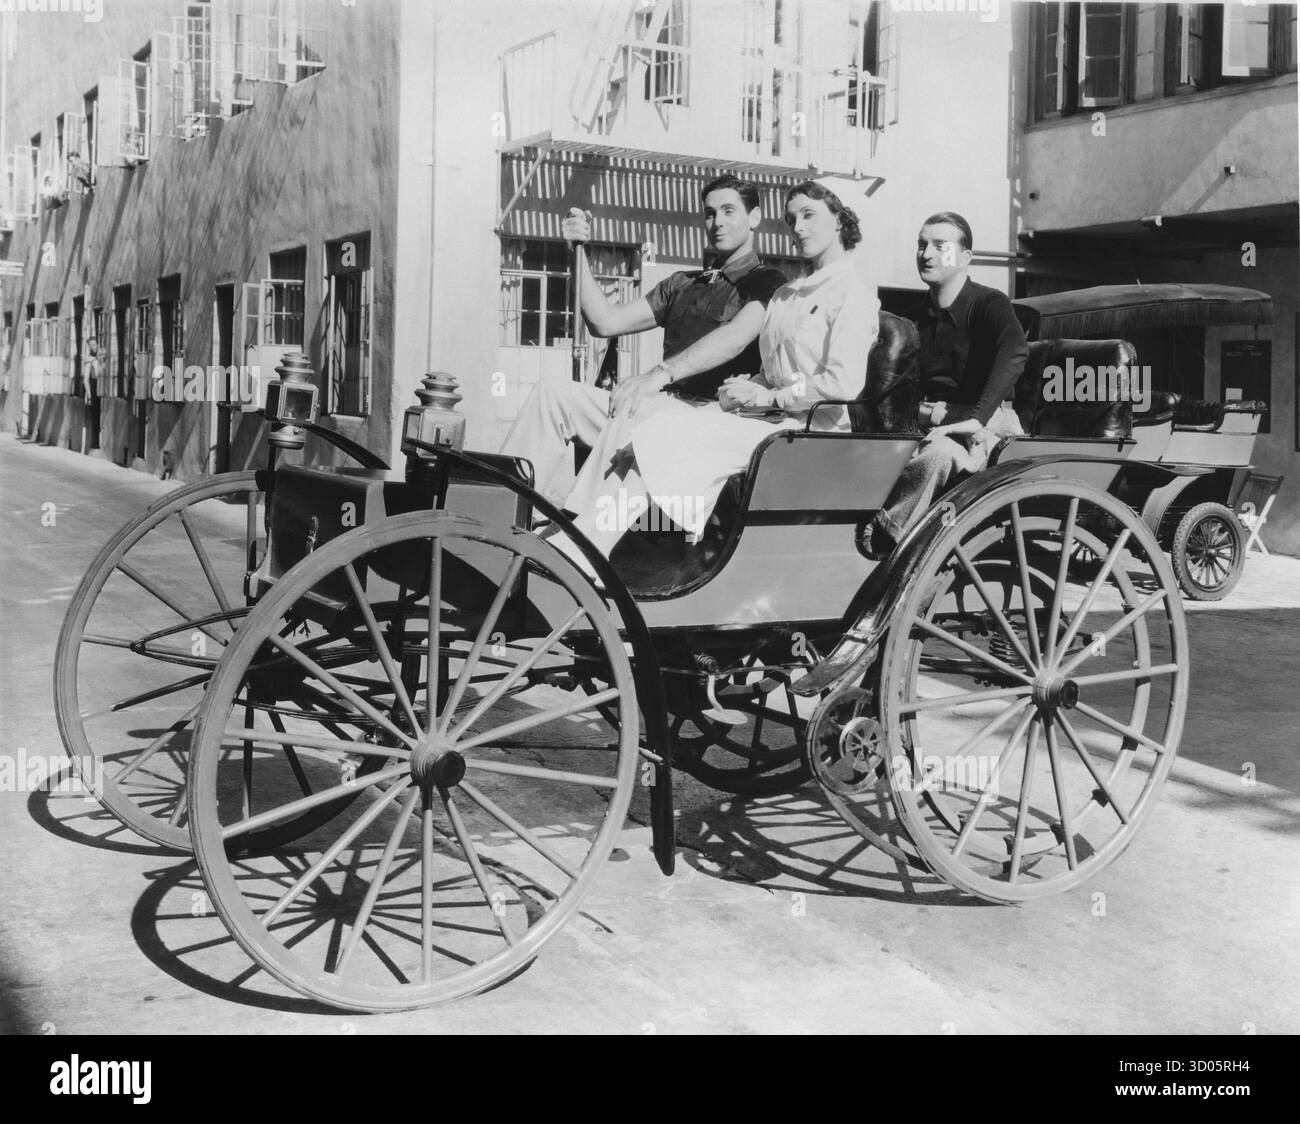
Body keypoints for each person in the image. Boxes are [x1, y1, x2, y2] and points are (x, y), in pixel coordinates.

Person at [553, 179, 879, 568]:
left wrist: (770, 397)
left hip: (813, 435)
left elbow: (841, 384)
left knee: (666, 431)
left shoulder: (851, 293)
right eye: (792, 219)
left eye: (809, 215)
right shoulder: (789, 295)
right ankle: (583, 535)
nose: (798, 228)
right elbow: (774, 370)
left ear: (840, 220)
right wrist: (748, 386)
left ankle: (589, 550)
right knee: (652, 425)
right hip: (771, 421)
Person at [499, 174, 788, 508]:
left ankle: (575, 531)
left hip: (711, 416)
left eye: (728, 211)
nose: (717, 222)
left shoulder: (766, 281)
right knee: (553, 394)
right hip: (662, 408)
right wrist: (576, 251)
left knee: (629, 409)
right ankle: (497, 508)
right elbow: (604, 322)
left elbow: (736, 337)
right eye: (710, 213)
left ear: (754, 218)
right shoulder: (682, 283)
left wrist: (658, 374)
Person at [862, 212, 1028, 556]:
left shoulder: (989, 304)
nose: (926, 254)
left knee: (937, 456)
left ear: (965, 257)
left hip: (985, 426)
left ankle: (886, 543)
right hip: (926, 423)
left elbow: (1015, 351)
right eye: (922, 244)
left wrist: (975, 419)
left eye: (940, 246)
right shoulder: (910, 318)